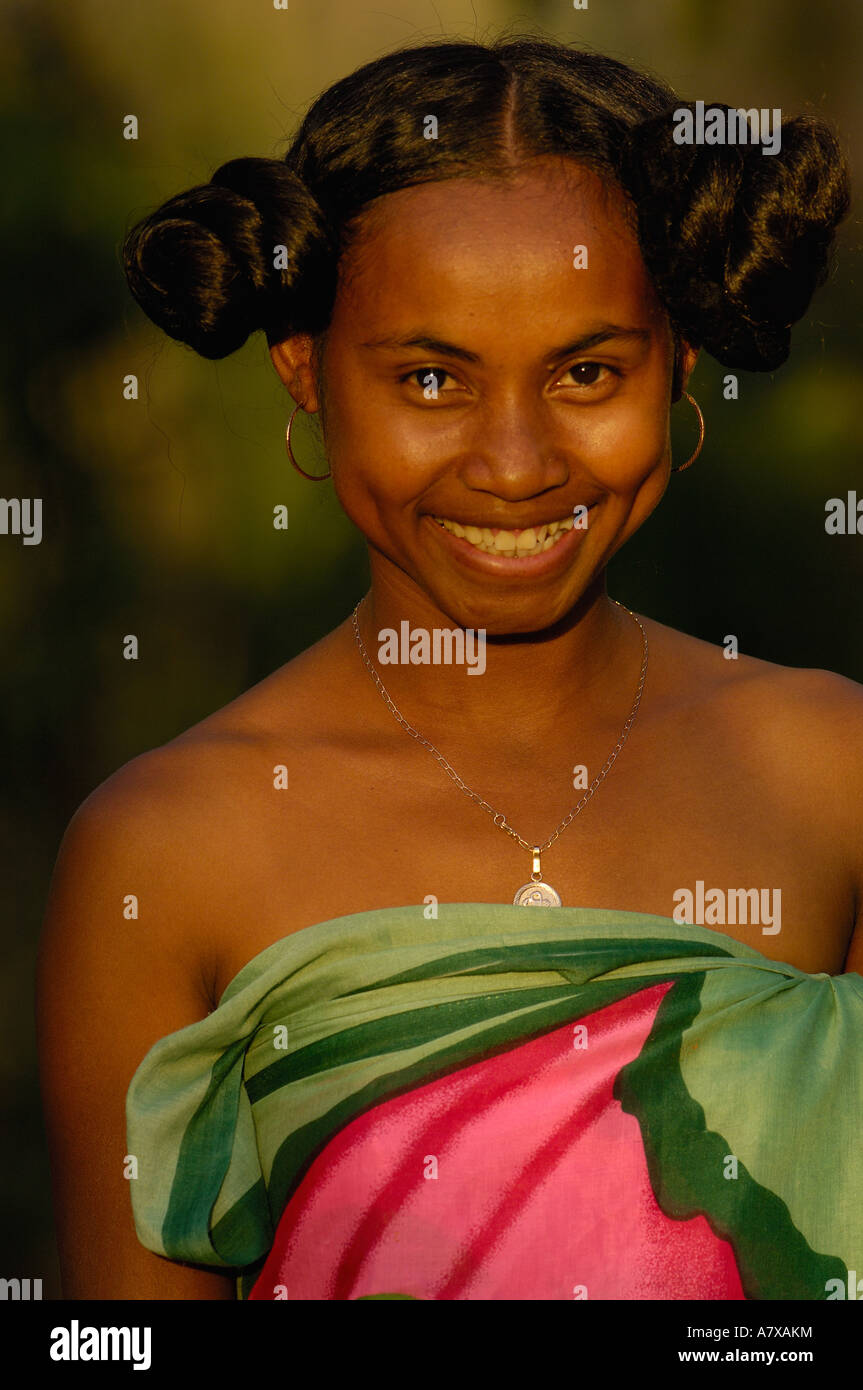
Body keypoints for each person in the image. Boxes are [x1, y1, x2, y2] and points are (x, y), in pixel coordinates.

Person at [37, 35, 863, 1301]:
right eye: (432, 379)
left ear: (680, 360)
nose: (518, 461)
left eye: (587, 371)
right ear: (303, 368)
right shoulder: (165, 850)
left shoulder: (832, 772)